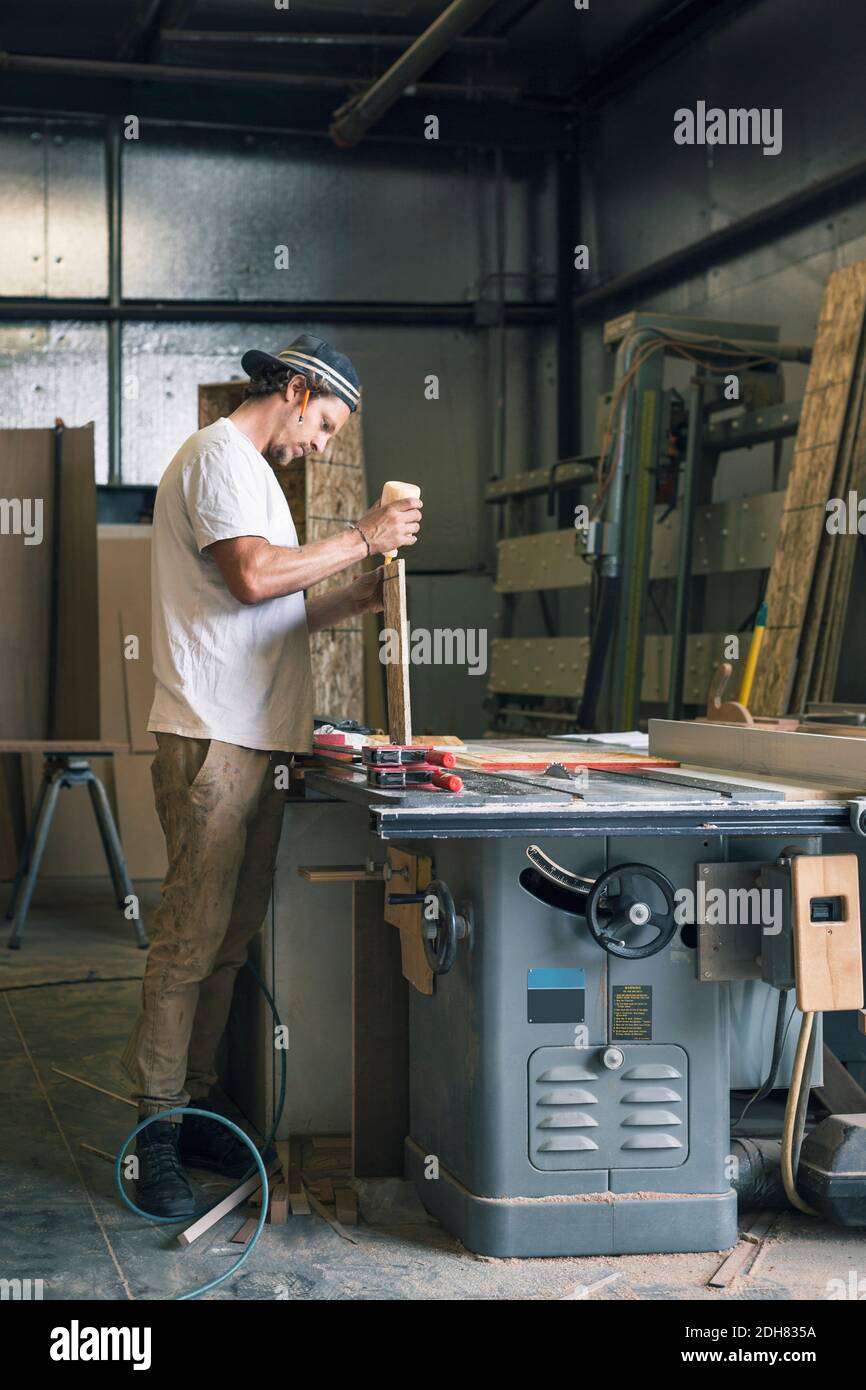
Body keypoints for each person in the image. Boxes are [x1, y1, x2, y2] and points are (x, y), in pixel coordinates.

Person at [120, 335, 422, 1215]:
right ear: (293, 389)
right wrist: (363, 536)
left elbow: (267, 609)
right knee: (189, 938)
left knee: (228, 937)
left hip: (258, 738)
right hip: (214, 736)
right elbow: (253, 580)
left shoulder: (253, 476)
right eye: (322, 423)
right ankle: (153, 1130)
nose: (320, 444)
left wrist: (350, 597)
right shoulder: (218, 457)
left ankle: (195, 1101)